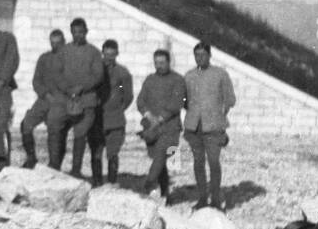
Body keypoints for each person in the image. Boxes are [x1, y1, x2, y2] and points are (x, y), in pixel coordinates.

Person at [183, 42, 236, 210]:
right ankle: (202, 199)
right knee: (198, 163)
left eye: (203, 55)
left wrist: (219, 116)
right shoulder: (189, 76)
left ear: (209, 55)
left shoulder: (220, 74)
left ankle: (215, 200)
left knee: (214, 163)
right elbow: (185, 101)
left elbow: (230, 100)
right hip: (194, 127)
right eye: (197, 55)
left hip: (213, 127)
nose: (200, 58)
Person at [51, 17, 104, 177]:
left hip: (86, 99)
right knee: (54, 124)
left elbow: (98, 75)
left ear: (86, 32)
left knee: (80, 132)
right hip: (66, 99)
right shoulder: (63, 51)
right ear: (71, 33)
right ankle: (54, 166)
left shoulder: (94, 52)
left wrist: (82, 88)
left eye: (81, 32)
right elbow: (57, 73)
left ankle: (76, 170)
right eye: (75, 32)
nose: (78, 35)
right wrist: (68, 89)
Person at [136, 49, 186, 203]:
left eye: (162, 63)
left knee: (160, 155)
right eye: (156, 63)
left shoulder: (178, 80)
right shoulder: (150, 80)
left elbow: (177, 103)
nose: (159, 66)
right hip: (151, 129)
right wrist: (148, 115)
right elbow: (140, 101)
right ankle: (165, 194)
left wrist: (161, 118)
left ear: (169, 62)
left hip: (170, 128)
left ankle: (148, 185)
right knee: (160, 160)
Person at [19, 29, 66, 168]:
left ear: (64, 42)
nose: (55, 46)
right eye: (52, 43)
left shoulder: (69, 59)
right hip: (44, 99)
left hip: (61, 101)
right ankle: (31, 157)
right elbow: (36, 81)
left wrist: (60, 97)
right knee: (26, 124)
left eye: (58, 43)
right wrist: (44, 94)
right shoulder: (44, 58)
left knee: (55, 130)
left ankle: (54, 164)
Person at [90, 39, 133, 185]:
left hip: (114, 120)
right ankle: (96, 183)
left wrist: (117, 109)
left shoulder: (122, 73)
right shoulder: (94, 71)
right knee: (96, 153)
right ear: (102, 53)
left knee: (112, 153)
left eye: (112, 55)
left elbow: (127, 96)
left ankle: (111, 184)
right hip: (96, 119)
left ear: (117, 54)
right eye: (106, 55)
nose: (109, 58)